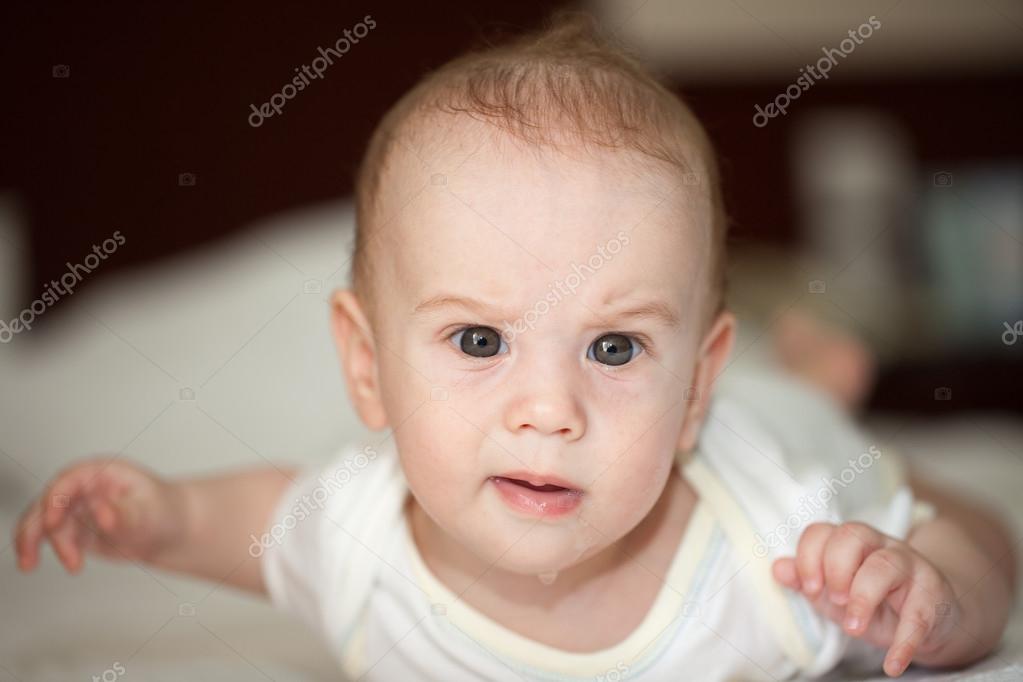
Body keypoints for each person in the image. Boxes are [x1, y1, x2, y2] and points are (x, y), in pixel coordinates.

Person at [13, 12, 1016, 680]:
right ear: (366, 365)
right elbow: (257, 513)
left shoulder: (784, 548)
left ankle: (812, 381)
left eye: (614, 348)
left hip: (765, 430)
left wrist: (937, 581)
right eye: (481, 338)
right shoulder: (361, 538)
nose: (550, 409)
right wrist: (159, 513)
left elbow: (988, 556)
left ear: (691, 382)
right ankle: (797, 366)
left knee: (862, 449)